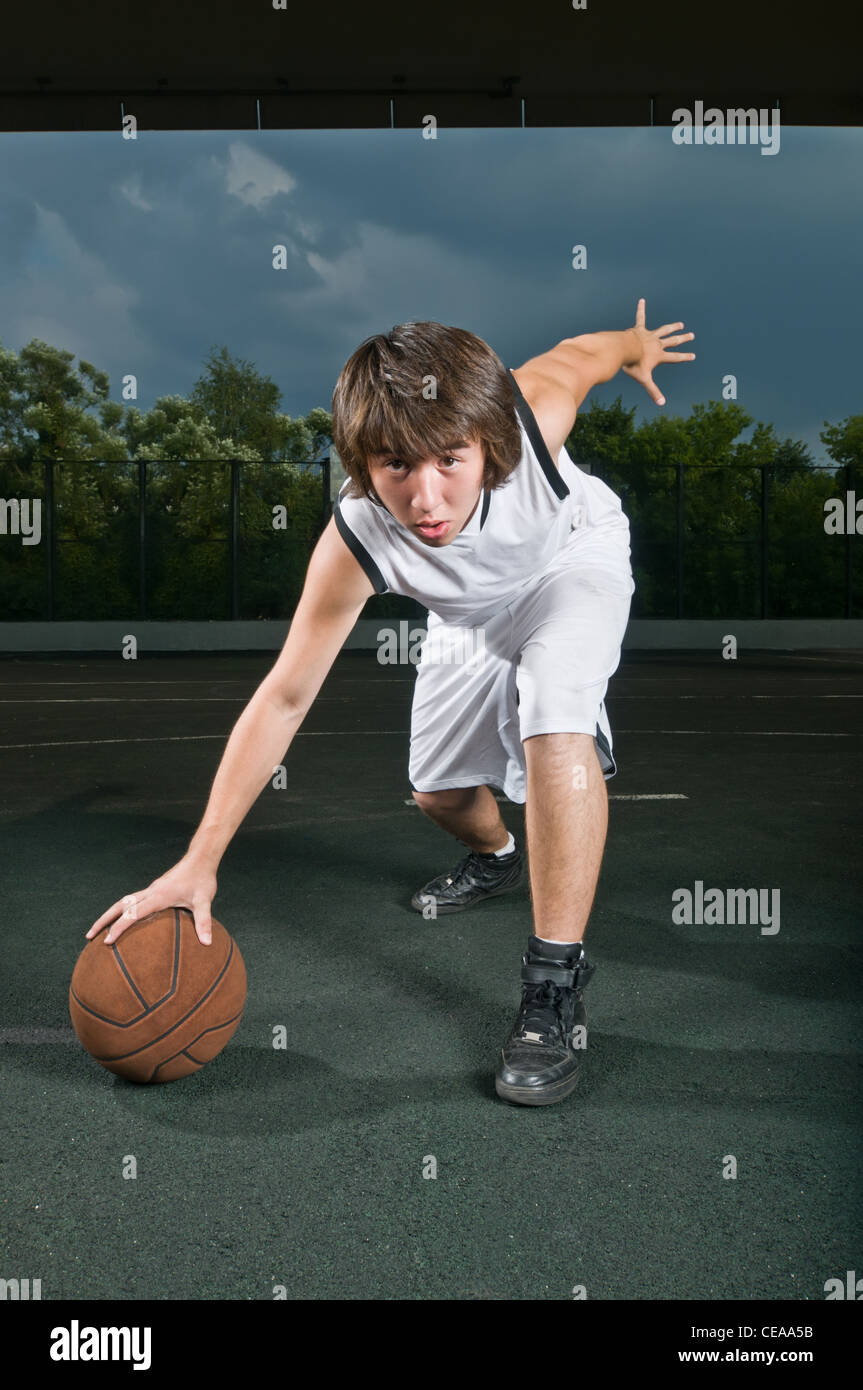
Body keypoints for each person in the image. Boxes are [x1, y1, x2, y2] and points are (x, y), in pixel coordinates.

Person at [87, 298, 695, 1107]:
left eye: (449, 459)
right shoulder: (357, 536)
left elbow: (589, 349)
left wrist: (638, 345)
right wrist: (198, 863)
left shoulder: (535, 412)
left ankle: (552, 985)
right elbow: (286, 694)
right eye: (395, 467)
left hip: (568, 566)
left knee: (556, 717)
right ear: (362, 465)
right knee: (437, 792)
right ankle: (496, 858)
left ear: (488, 441)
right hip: (466, 612)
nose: (426, 497)